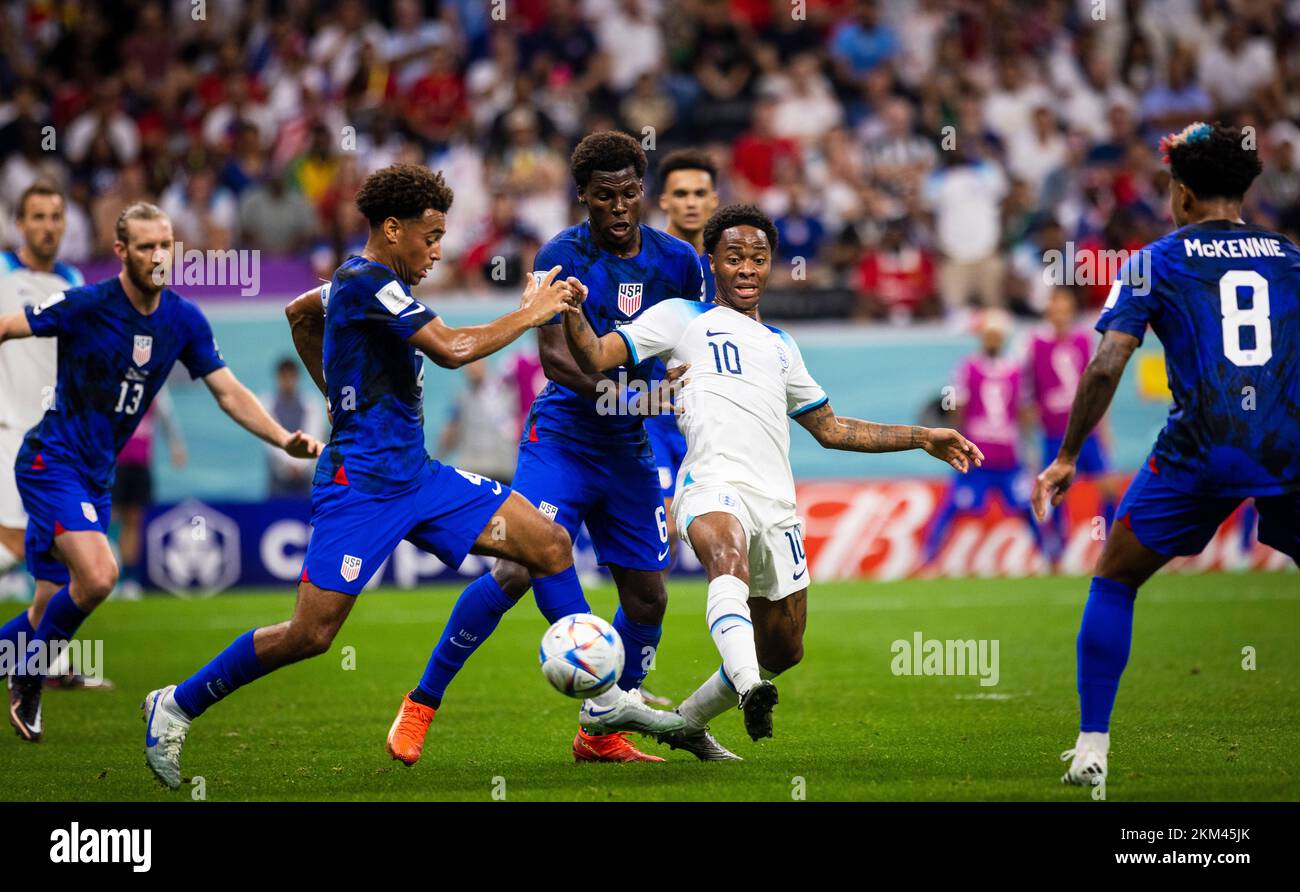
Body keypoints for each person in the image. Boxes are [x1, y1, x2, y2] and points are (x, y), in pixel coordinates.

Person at [143, 164, 676, 788]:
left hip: (420, 479)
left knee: (549, 544)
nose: (437, 250)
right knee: (311, 634)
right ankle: (176, 703)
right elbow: (451, 349)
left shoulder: (352, 283)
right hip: (361, 489)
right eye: (430, 236)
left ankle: (602, 697)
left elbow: (298, 314)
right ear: (392, 229)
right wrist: (531, 313)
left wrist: (342, 396)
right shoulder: (369, 280)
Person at [560, 204, 982, 756]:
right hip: (711, 482)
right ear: (711, 261)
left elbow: (831, 429)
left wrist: (923, 436)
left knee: (785, 646)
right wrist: (570, 309)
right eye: (734, 257)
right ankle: (750, 688)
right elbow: (593, 355)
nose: (747, 268)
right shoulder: (678, 316)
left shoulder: (782, 346)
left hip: (776, 502)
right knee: (726, 558)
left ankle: (686, 722)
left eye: (758, 258)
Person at [410, 132, 707, 764]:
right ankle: (421, 704)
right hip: (565, 439)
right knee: (517, 567)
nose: (621, 207)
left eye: (630, 193)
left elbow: (697, 348)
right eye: (605, 196)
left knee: (649, 596)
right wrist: (626, 398)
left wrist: (677, 398)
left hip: (629, 448)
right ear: (583, 197)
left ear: (643, 191)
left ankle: (602, 731)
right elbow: (555, 358)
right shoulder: (559, 254)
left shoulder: (679, 261)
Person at [1034, 123, 1298, 787]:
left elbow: (1107, 364)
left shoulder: (1155, 260)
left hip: (1201, 449)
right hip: (1287, 447)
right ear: (1246, 187)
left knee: (1116, 577)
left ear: (1179, 192)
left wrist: (1067, 454)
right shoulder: (1291, 259)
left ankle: (1093, 747)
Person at [0, 201, 322, 744]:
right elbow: (9, 325)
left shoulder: (183, 319)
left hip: (94, 477)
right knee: (99, 577)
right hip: (48, 461)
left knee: (42, 611)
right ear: (122, 251)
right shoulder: (87, 303)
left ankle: (24, 657)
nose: (158, 256)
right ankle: (30, 677)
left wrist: (281, 437)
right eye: (146, 246)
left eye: (165, 245)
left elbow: (227, 391)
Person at [921, 309, 1058, 569]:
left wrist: (1028, 448)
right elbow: (956, 408)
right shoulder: (967, 367)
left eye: (997, 335)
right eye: (989, 335)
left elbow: (1024, 412)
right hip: (976, 456)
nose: (993, 340)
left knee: (1029, 507)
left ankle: (1050, 559)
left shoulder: (1017, 371)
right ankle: (928, 560)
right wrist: (955, 444)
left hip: (1008, 456)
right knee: (954, 505)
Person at [1024, 286, 1119, 553]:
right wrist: (1030, 435)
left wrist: (1105, 430)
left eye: (1066, 309)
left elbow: (1098, 389)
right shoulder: (1033, 343)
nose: (1061, 314)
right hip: (1053, 433)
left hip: (1085, 431)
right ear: (1049, 311)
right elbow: (1025, 393)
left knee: (1108, 486)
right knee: (1053, 492)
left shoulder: (1083, 340)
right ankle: (1056, 549)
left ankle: (1109, 543)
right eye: (1056, 308)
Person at [112, 390, 186, 599]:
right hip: (114, 463)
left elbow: (167, 419)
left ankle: (128, 581)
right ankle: (100, 575)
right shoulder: (117, 380)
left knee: (133, 521)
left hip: (140, 464)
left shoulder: (157, 387)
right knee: (107, 518)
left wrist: (176, 446)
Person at [436, 359, 517, 484]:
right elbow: (448, 437)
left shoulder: (506, 392)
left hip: (502, 468)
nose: (472, 367)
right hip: (472, 470)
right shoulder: (460, 398)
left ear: (485, 362)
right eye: (468, 364)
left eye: (475, 362)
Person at [260, 357, 325, 499]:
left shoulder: (311, 404)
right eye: (284, 376)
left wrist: (300, 466)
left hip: (305, 480)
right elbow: (270, 439)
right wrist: (288, 467)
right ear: (278, 378)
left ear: (297, 378)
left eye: (291, 376)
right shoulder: (266, 404)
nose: (288, 381)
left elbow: (315, 435)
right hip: (277, 482)